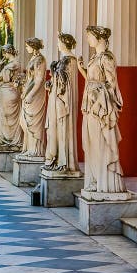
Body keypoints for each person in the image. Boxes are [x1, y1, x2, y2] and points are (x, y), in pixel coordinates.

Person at [80, 26, 125, 193]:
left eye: (90, 36)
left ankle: (105, 183)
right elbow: (92, 80)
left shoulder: (106, 58)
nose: (88, 39)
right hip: (90, 105)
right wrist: (82, 70)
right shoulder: (94, 58)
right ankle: (94, 179)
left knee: (100, 144)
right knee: (90, 143)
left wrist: (98, 97)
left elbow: (111, 84)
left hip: (100, 107)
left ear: (99, 39)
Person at [44, 32, 80, 173]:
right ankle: (55, 158)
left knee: (62, 129)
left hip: (62, 101)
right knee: (53, 130)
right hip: (56, 98)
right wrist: (51, 82)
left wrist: (54, 73)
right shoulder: (63, 60)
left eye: (59, 42)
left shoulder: (70, 60)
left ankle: (63, 161)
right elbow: (57, 80)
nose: (58, 44)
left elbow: (65, 83)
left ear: (65, 43)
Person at [19, 37, 47, 158]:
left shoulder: (40, 59)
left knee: (33, 123)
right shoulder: (33, 58)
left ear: (33, 46)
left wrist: (30, 94)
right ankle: (28, 148)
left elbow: (39, 80)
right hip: (29, 93)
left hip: (36, 95)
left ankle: (35, 150)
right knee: (24, 122)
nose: (26, 48)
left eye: (27, 46)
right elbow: (30, 78)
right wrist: (24, 91)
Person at [0, 44, 23, 149]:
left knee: (3, 115)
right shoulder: (11, 64)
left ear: (8, 52)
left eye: (4, 52)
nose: (3, 55)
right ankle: (7, 141)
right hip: (7, 93)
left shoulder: (13, 65)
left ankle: (8, 141)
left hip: (8, 93)